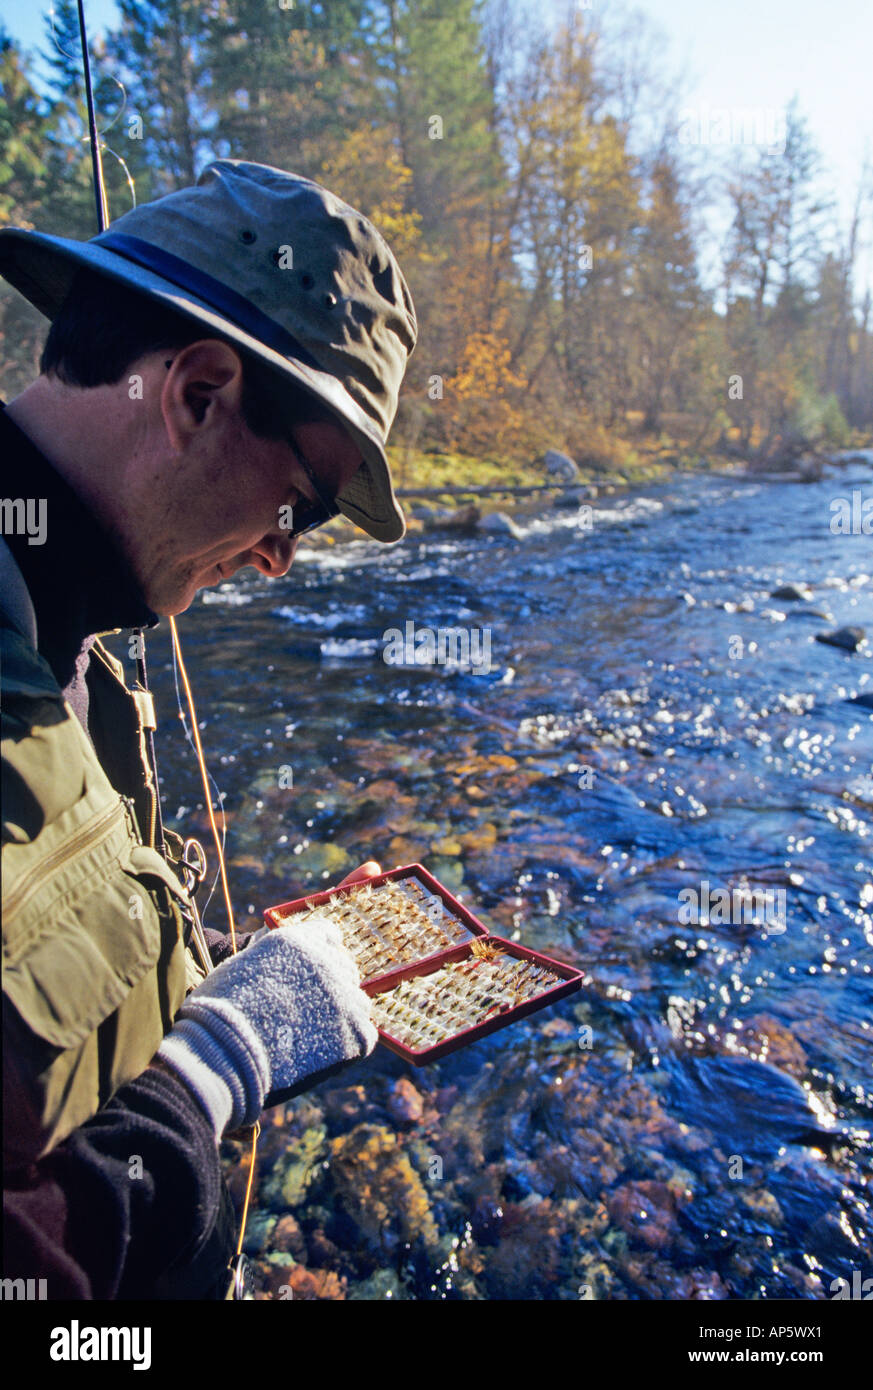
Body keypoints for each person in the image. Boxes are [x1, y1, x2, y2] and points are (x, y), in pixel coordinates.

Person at [0, 159, 418, 1298]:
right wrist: (220, 1063)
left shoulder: (55, 624)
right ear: (193, 394)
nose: (283, 557)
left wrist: (219, 983)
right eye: (305, 506)